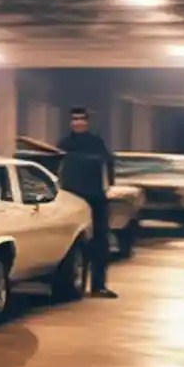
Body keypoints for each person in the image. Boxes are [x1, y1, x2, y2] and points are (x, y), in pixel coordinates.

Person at [58, 107, 118, 298]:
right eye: (74, 119)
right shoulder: (65, 144)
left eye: (81, 119)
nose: (77, 123)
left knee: (100, 242)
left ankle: (98, 285)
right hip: (72, 197)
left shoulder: (96, 143)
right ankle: (73, 284)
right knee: (74, 242)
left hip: (95, 198)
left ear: (87, 122)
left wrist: (108, 186)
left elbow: (109, 165)